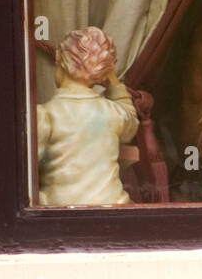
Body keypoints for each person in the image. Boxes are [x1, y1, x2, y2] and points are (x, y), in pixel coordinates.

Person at [36, 27, 139, 206]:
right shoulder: (112, 112)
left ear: (59, 58)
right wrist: (113, 81)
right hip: (114, 207)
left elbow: (27, 173)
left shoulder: (46, 115)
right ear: (102, 73)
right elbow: (131, 121)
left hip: (60, 213)